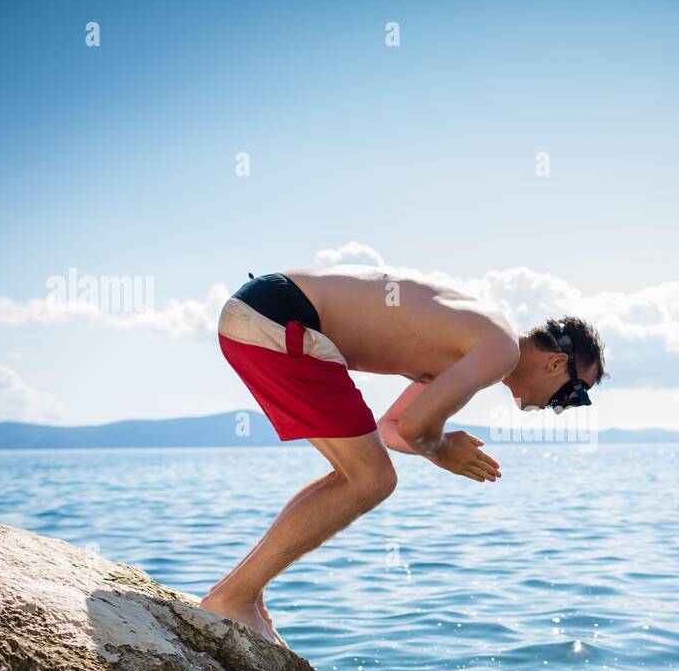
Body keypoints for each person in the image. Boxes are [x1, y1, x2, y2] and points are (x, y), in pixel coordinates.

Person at [200, 265, 606, 646]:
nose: (560, 407)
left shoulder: (482, 342)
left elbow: (390, 428)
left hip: (263, 311)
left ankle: (243, 593)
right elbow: (412, 429)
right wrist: (443, 450)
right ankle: (234, 597)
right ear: (555, 363)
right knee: (372, 479)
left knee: (359, 475)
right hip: (281, 320)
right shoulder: (500, 351)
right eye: (573, 395)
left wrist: (438, 445)